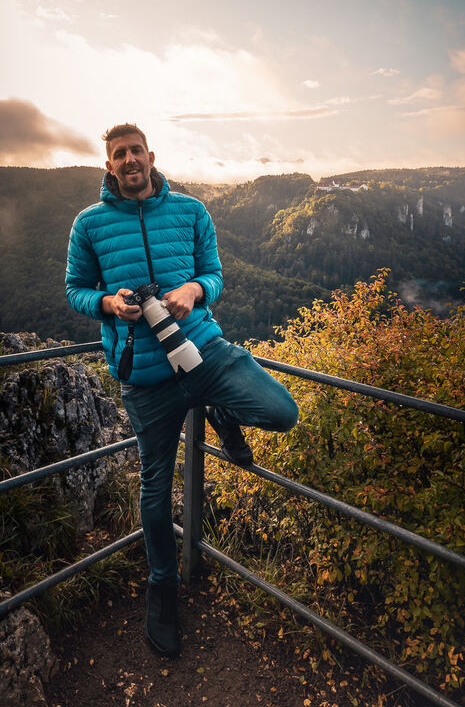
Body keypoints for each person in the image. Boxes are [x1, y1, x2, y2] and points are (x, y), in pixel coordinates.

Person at [65, 124, 298, 657]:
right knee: (154, 492)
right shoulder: (90, 224)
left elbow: (214, 275)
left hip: (204, 352)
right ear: (109, 166)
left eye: (135, 152)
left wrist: (193, 290)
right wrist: (108, 305)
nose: (129, 161)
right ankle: (163, 591)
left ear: (151, 157)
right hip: (145, 376)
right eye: (118, 155)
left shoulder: (192, 211)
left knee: (281, 411)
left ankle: (215, 402)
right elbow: (75, 289)